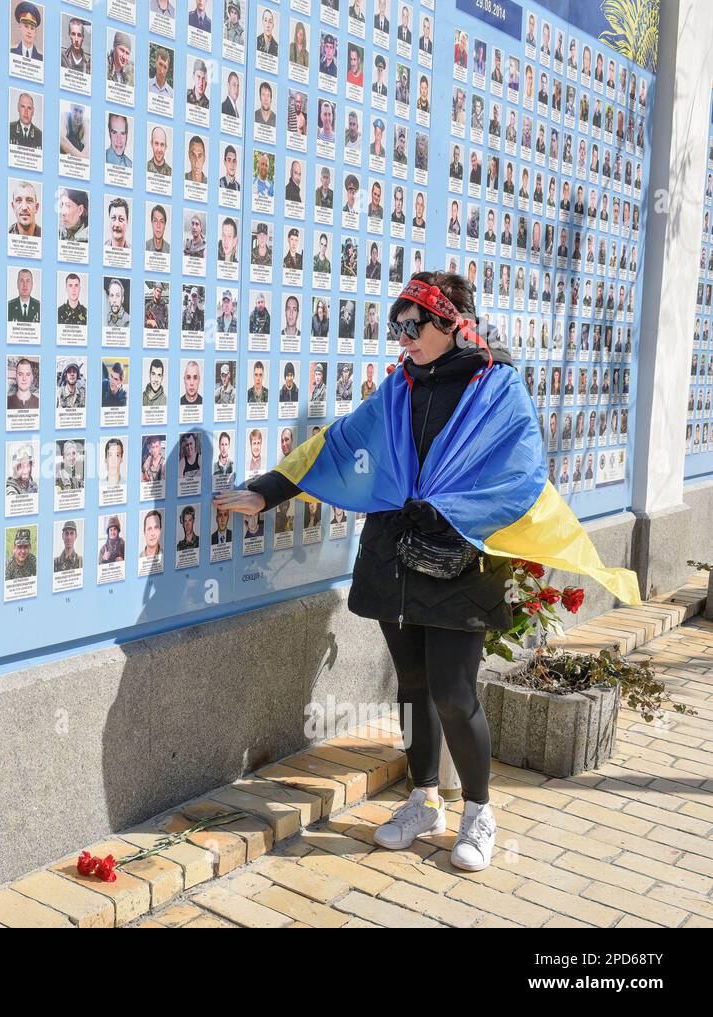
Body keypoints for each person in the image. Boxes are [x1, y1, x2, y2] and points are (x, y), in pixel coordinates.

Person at [218, 271, 639, 874]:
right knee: (411, 687)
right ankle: (423, 801)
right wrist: (266, 492)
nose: (403, 338)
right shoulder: (397, 390)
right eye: (397, 327)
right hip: (396, 552)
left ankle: (479, 812)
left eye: (413, 326)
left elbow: (520, 475)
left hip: (460, 555)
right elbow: (335, 445)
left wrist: (451, 511)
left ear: (451, 324)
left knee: (453, 690)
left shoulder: (498, 389)